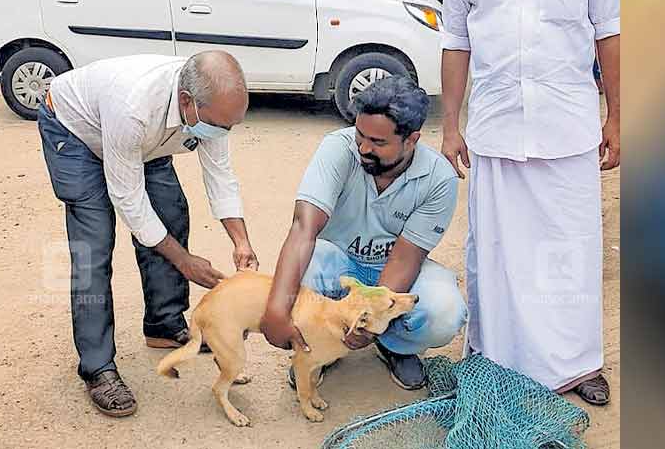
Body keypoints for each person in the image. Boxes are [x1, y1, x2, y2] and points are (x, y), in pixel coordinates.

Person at [439, 0, 620, 406]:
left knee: (569, 252)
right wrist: (450, 125)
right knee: (499, 253)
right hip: (496, 131)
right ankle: (496, 359)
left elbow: (609, 33)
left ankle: (577, 364)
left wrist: (618, 117)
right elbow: (455, 43)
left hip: (568, 129)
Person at [38, 52, 260, 418]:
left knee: (170, 213)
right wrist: (184, 261)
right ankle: (97, 367)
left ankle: (164, 324)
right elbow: (129, 199)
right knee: (93, 246)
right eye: (219, 125)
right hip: (76, 132)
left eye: (230, 126)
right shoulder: (133, 107)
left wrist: (241, 241)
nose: (223, 133)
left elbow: (220, 174)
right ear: (186, 102)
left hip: (145, 141)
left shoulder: (212, 110)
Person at [260, 76, 467, 390]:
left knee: (444, 311)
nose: (364, 148)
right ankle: (320, 344)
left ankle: (395, 345)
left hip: (396, 269)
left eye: (379, 143)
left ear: (411, 140)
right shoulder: (338, 148)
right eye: (360, 135)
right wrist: (277, 308)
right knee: (304, 266)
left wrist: (371, 323)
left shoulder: (438, 178)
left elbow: (405, 259)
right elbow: (303, 228)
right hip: (340, 263)